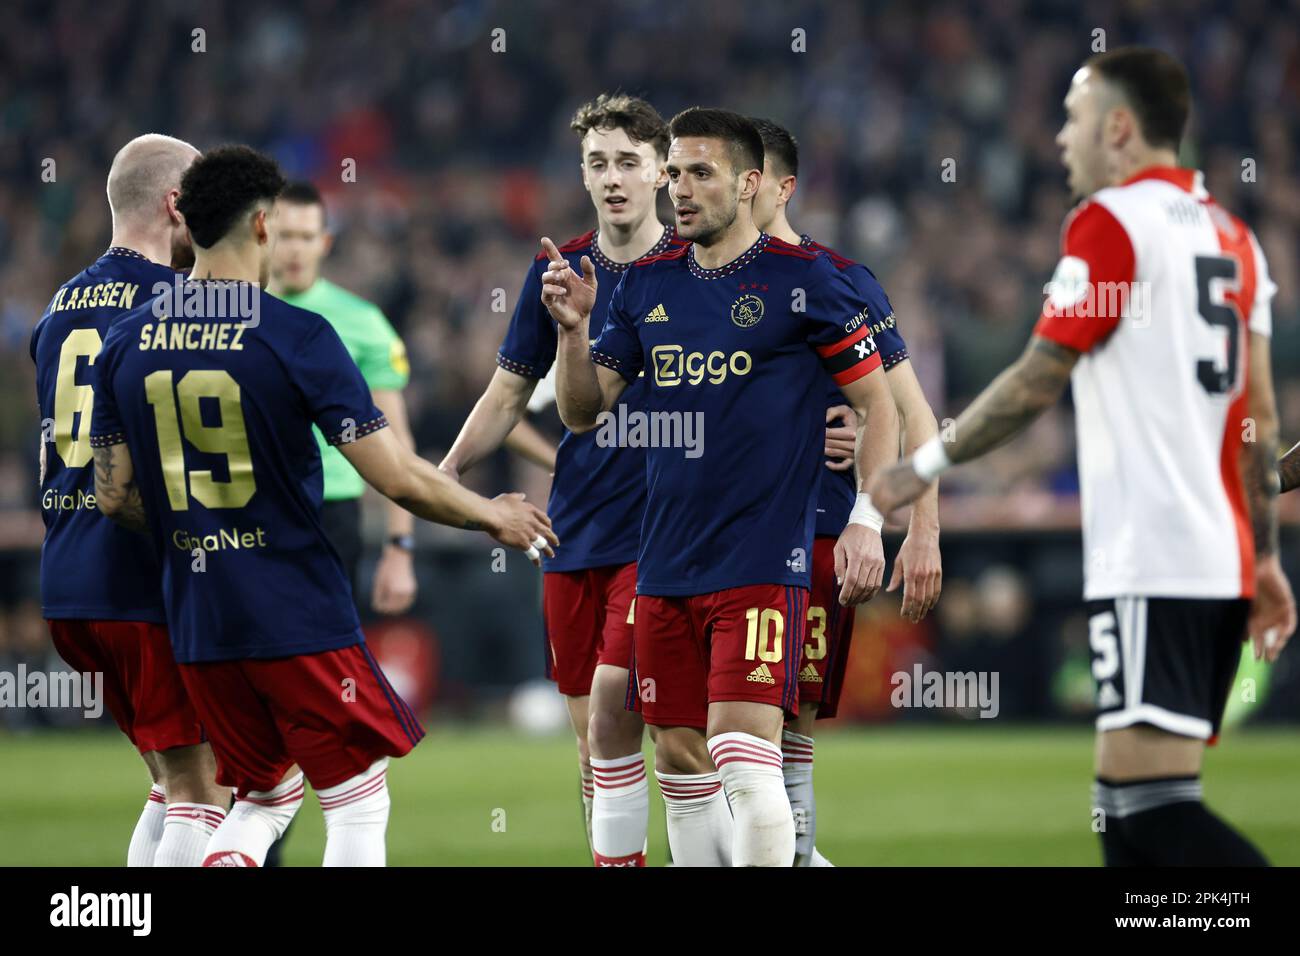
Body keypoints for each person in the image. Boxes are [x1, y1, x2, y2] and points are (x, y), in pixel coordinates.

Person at [869, 47, 1295, 866]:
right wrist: (1266, 560)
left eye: (1073, 118)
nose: (1060, 139)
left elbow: (1036, 380)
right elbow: (1261, 425)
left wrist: (920, 467)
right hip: (1213, 560)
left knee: (1151, 815)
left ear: (1121, 128)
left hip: (1154, 557)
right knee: (1124, 814)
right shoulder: (1236, 239)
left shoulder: (1111, 223)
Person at [90, 144, 557, 866]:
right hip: (292, 604)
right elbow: (395, 475)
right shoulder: (297, 335)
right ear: (264, 226)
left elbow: (112, 492)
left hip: (197, 614)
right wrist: (490, 513)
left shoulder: (123, 341)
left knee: (262, 794)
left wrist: (200, 528)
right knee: (359, 795)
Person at [545, 108, 899, 866]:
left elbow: (881, 408)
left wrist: (869, 518)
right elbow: (582, 413)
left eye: (699, 172)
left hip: (763, 561)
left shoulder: (806, 282)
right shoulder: (644, 285)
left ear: (748, 185)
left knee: (741, 752)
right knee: (678, 755)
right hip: (665, 562)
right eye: (672, 171)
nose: (679, 188)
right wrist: (574, 333)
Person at [441, 94, 680, 865]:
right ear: (583, 173)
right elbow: (509, 394)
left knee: (628, 712)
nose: (613, 178)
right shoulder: (556, 272)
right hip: (575, 532)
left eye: (629, 163)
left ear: (661, 174)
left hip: (666, 532)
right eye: (599, 163)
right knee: (593, 747)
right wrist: (439, 478)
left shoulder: (696, 268)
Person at [30, 133, 229, 866]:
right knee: (206, 790)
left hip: (71, 579)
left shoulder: (57, 308)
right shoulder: (179, 304)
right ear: (176, 204)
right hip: (141, 577)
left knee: (170, 784)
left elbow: (53, 445)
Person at [750, 117, 944, 866]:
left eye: (746, 173)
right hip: (707, 531)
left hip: (815, 533)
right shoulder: (690, 280)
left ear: (779, 186)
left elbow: (913, 412)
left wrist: (919, 531)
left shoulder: (837, 280)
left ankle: (794, 854)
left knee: (782, 719)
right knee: (697, 727)